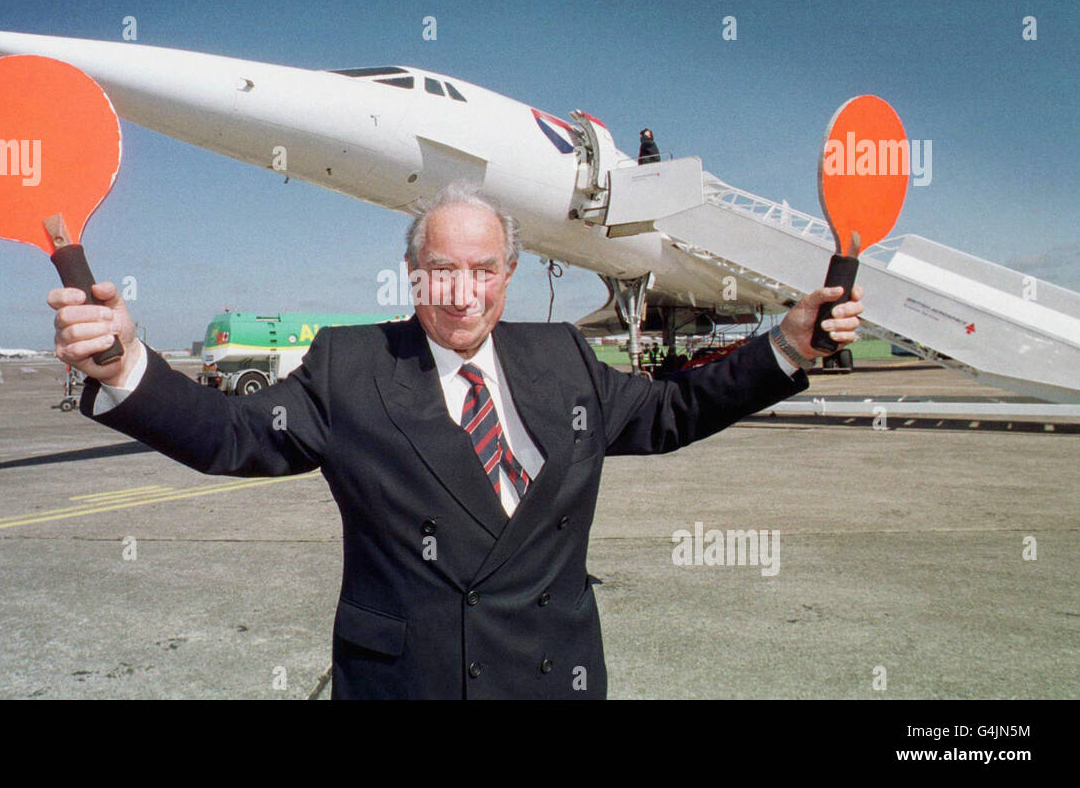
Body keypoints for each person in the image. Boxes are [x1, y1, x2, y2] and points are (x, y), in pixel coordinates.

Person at [48, 183, 862, 699]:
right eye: (442, 270)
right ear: (413, 274)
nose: (463, 294)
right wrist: (126, 364)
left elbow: (671, 412)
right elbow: (233, 436)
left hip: (553, 681)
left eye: (483, 270)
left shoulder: (563, 360)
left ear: (508, 273)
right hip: (412, 683)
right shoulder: (352, 364)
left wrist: (786, 348)